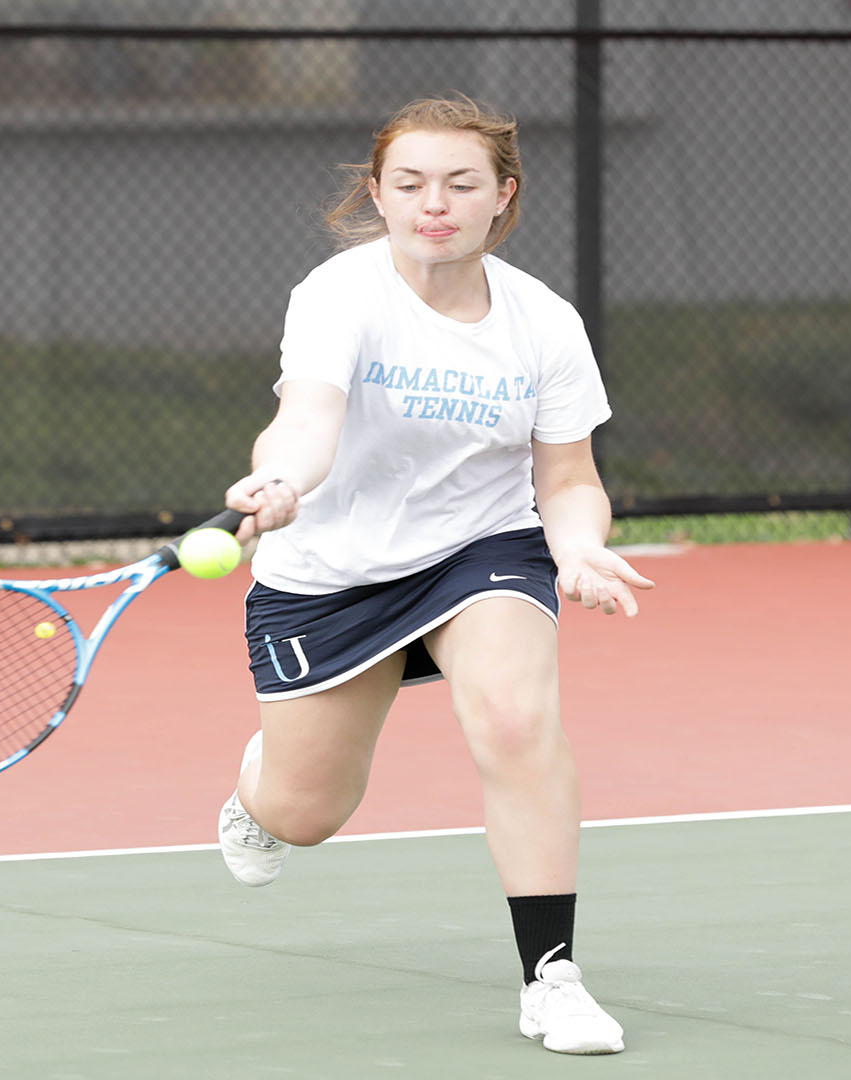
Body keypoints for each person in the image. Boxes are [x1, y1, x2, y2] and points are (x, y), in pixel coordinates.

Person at [215, 95, 653, 1056]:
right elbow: (308, 419)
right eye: (409, 184)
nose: (435, 204)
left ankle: (553, 977)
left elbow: (569, 477)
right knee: (306, 809)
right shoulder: (340, 292)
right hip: (331, 569)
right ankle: (259, 793)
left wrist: (575, 545)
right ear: (378, 193)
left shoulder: (544, 322)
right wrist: (281, 478)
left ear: (504, 196)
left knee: (514, 717)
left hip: (481, 548)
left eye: (461, 184)